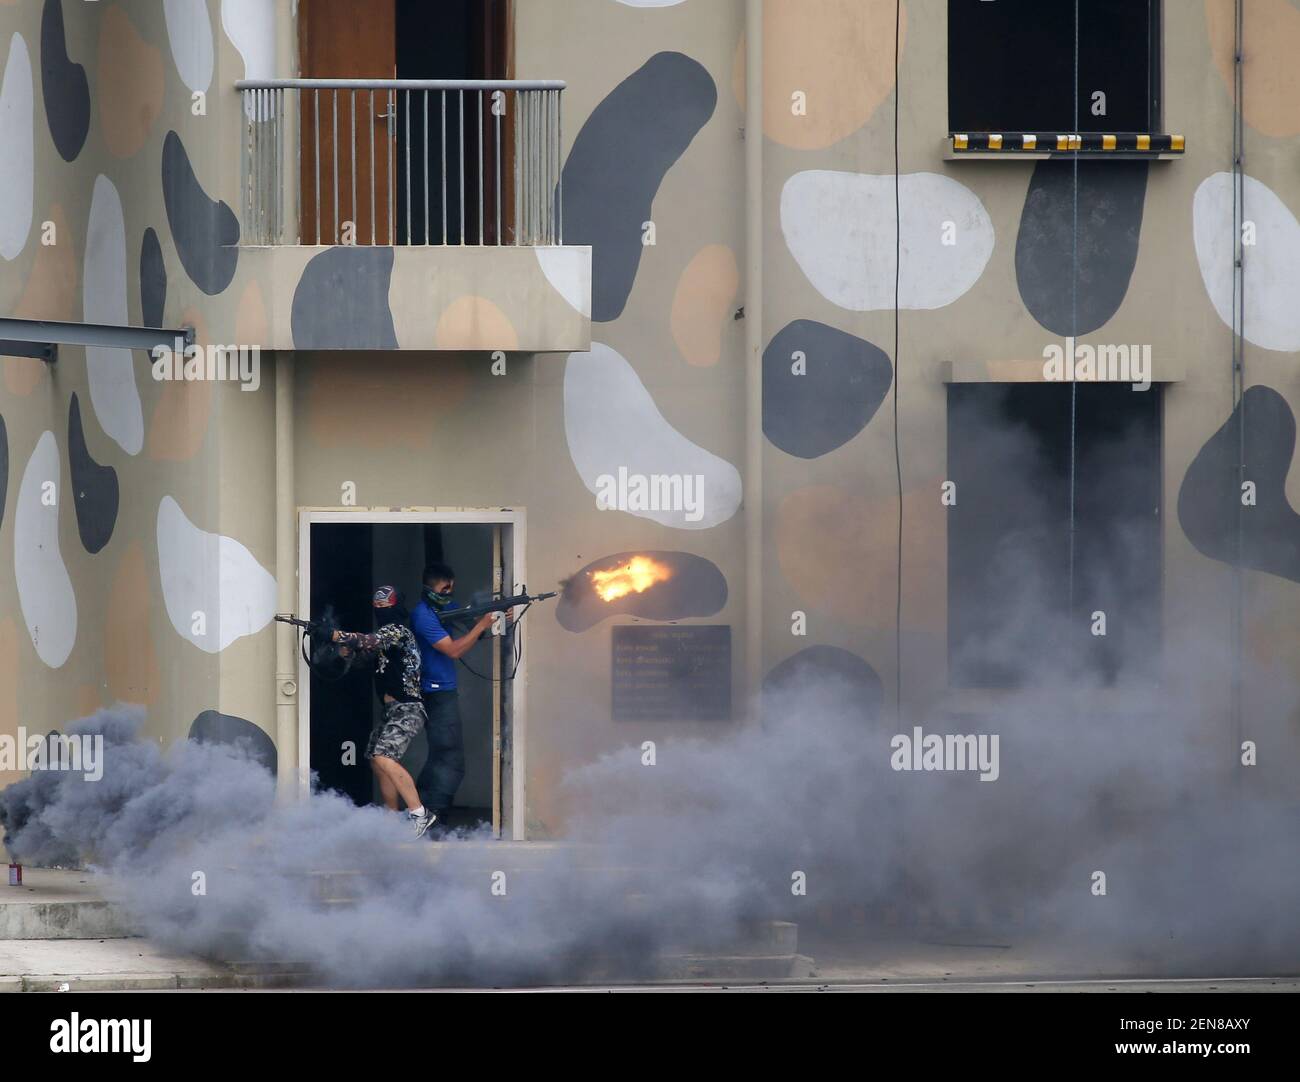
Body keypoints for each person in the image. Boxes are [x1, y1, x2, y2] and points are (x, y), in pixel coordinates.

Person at [331, 585, 437, 838]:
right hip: (392, 710)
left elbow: (369, 640)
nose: (381, 613)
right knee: (376, 759)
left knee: (383, 756)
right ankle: (391, 819)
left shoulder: (397, 631)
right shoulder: (385, 641)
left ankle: (420, 814)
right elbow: (360, 658)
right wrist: (345, 651)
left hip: (408, 708)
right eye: (378, 608)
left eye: (385, 608)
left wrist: (336, 635)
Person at [409, 563, 502, 824]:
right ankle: (432, 815)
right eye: (444, 588)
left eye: (451, 587)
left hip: (444, 691)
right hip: (435, 693)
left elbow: (467, 627)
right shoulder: (423, 615)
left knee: (441, 756)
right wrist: (482, 624)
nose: (449, 592)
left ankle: (423, 808)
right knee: (451, 760)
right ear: (430, 587)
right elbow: (454, 650)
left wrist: (491, 619)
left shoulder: (444, 608)